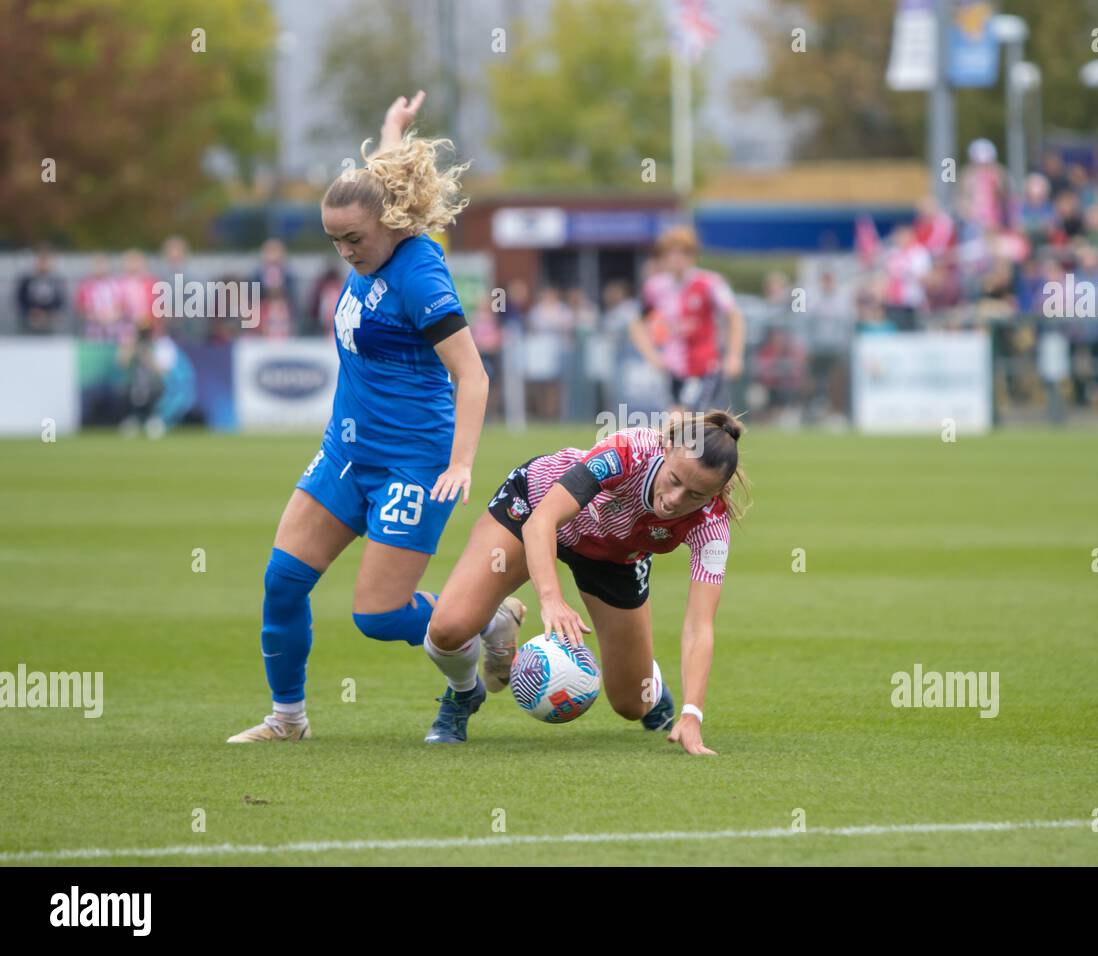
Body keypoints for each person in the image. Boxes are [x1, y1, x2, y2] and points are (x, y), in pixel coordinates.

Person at [228, 91, 498, 743]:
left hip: (415, 460)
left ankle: (481, 629)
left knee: (378, 617)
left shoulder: (420, 275)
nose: (345, 251)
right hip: (348, 454)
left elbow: (473, 375)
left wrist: (460, 463)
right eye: (334, 240)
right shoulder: (375, 225)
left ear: (392, 226)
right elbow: (378, 184)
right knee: (283, 582)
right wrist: (391, 129)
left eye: (354, 239)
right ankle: (288, 720)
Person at [420, 411, 748, 753]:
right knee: (448, 628)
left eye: (695, 495)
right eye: (675, 480)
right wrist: (551, 600)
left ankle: (651, 680)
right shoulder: (629, 451)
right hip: (535, 507)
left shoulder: (712, 524)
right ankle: (462, 692)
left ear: (717, 491)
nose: (675, 500)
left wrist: (692, 713)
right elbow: (541, 523)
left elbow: (699, 626)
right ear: (665, 449)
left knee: (632, 703)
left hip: (613, 557)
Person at [631, 226, 745, 413]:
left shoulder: (709, 283)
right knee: (679, 423)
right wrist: (652, 356)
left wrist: (734, 355)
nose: (677, 260)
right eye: (671, 254)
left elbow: (734, 315)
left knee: (689, 418)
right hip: (673, 368)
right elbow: (637, 323)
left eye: (683, 254)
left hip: (705, 366)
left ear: (692, 256)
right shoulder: (655, 287)